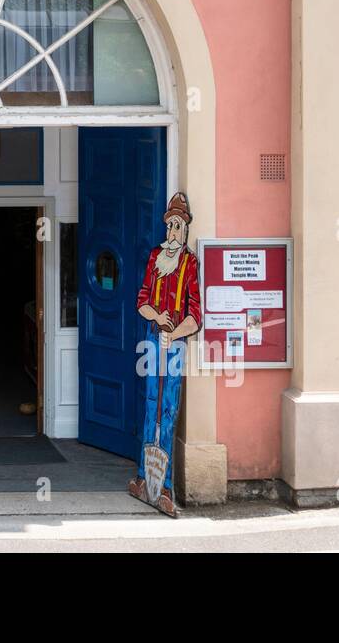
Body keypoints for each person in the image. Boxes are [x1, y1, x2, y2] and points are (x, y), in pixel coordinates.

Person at [126, 191, 200, 518]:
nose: (172, 233)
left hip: (174, 343)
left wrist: (174, 332)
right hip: (152, 337)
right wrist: (157, 318)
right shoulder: (156, 258)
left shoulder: (190, 264)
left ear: (185, 231)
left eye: (178, 228)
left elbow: (195, 315)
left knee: (168, 408)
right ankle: (144, 478)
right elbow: (141, 300)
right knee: (150, 405)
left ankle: (165, 484)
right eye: (169, 227)